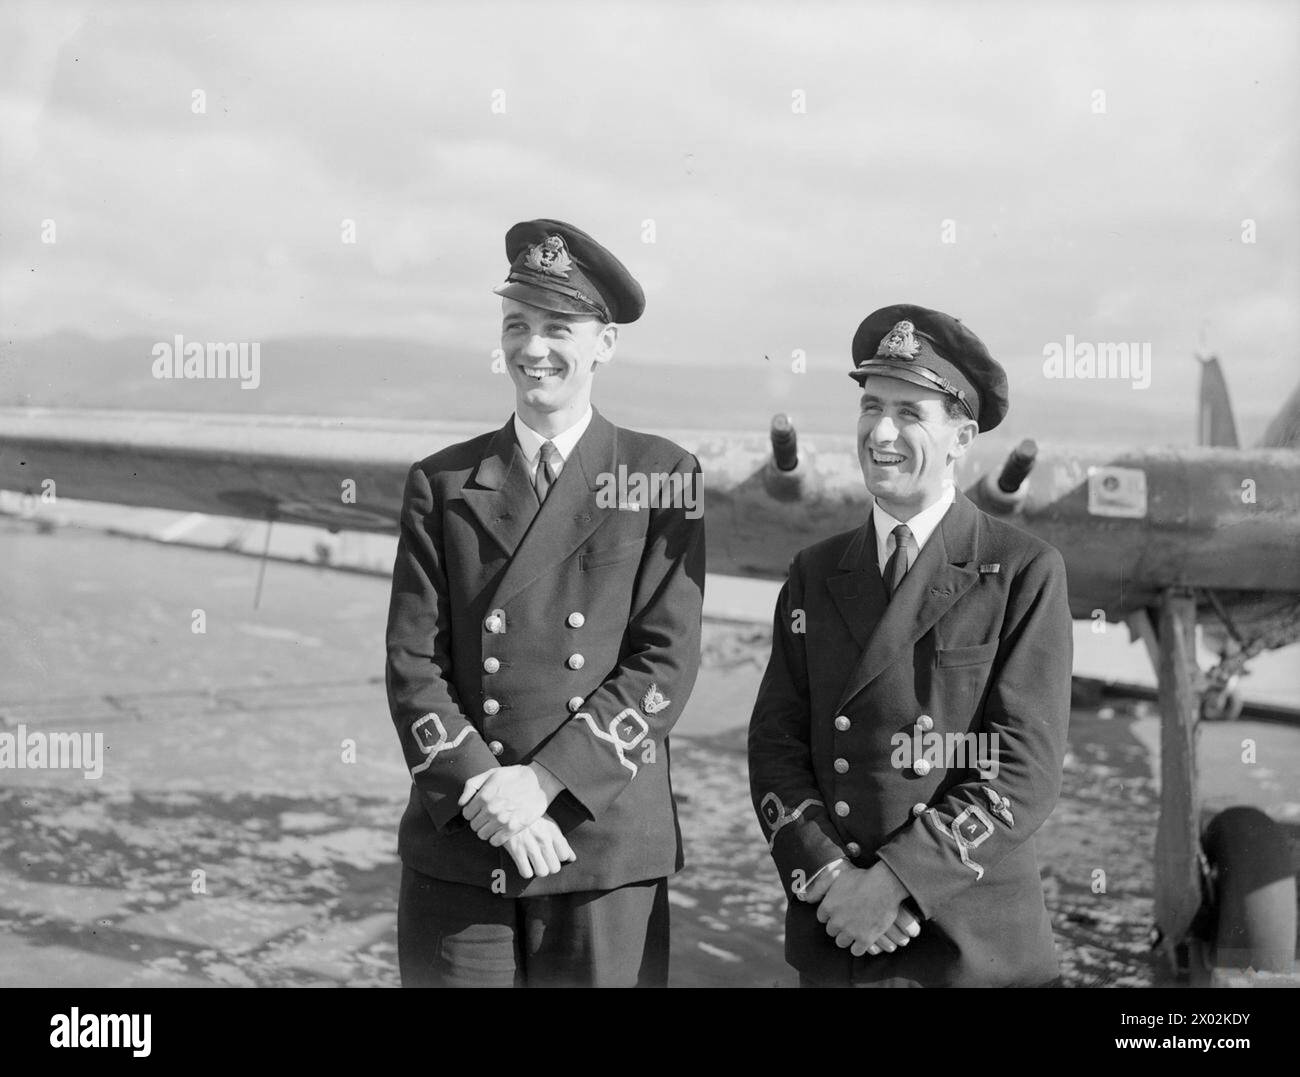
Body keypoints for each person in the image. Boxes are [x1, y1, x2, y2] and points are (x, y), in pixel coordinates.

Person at [385, 219, 705, 988]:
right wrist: (485, 789)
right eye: (517, 327)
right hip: (466, 833)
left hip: (597, 837)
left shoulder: (661, 475)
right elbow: (411, 660)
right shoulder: (443, 481)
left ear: (604, 344)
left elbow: (664, 659)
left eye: (558, 328)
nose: (534, 349)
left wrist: (543, 784)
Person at [747, 304, 1072, 987]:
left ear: (962, 436)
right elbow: (776, 744)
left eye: (910, 413)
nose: (882, 432)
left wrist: (895, 881)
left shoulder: (1020, 570)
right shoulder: (814, 571)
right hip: (838, 935)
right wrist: (833, 877)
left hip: (968, 949)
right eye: (871, 406)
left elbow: (1023, 768)